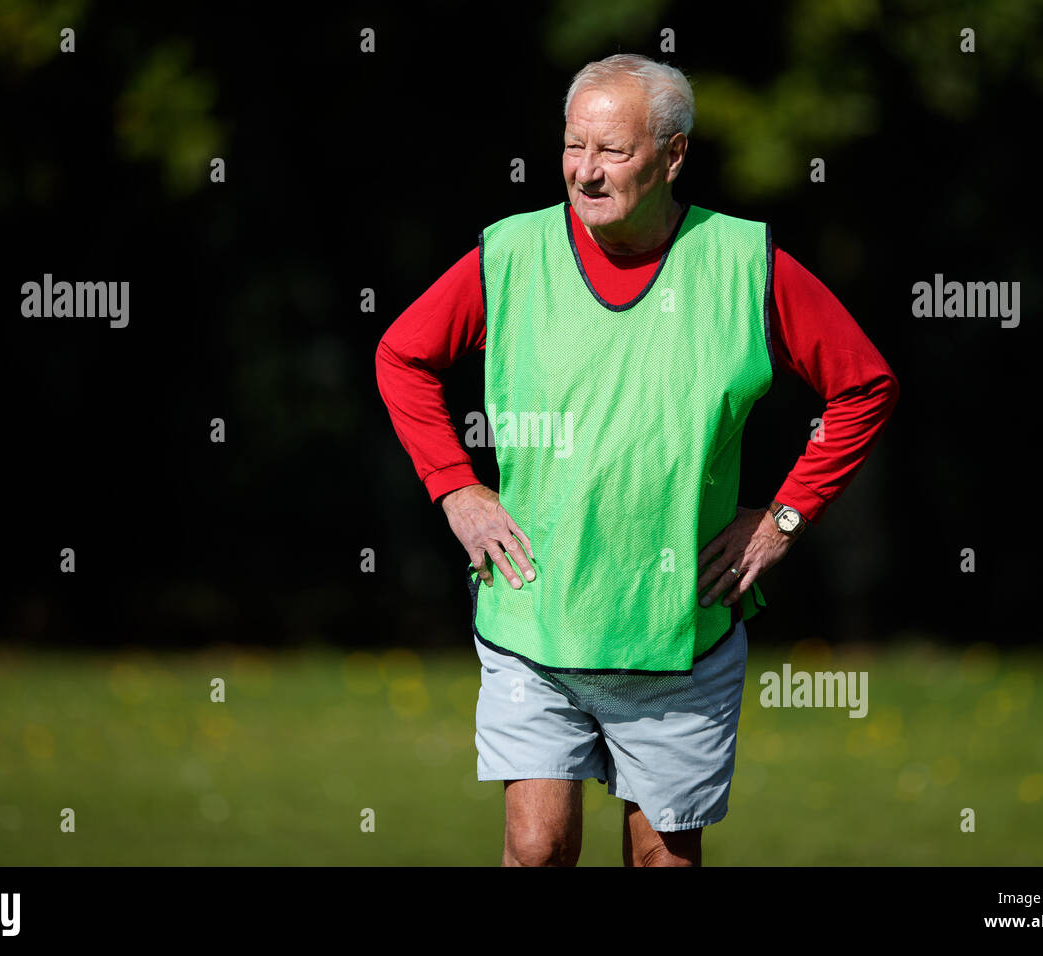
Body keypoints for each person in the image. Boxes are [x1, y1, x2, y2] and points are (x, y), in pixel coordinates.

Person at [375, 53, 899, 866]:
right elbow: (400, 356)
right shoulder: (510, 255)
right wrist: (455, 488)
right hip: (533, 621)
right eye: (572, 146)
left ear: (674, 154)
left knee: (660, 860)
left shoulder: (746, 266)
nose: (585, 172)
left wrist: (785, 516)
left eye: (612, 151)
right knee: (536, 848)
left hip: (678, 635)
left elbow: (863, 386)